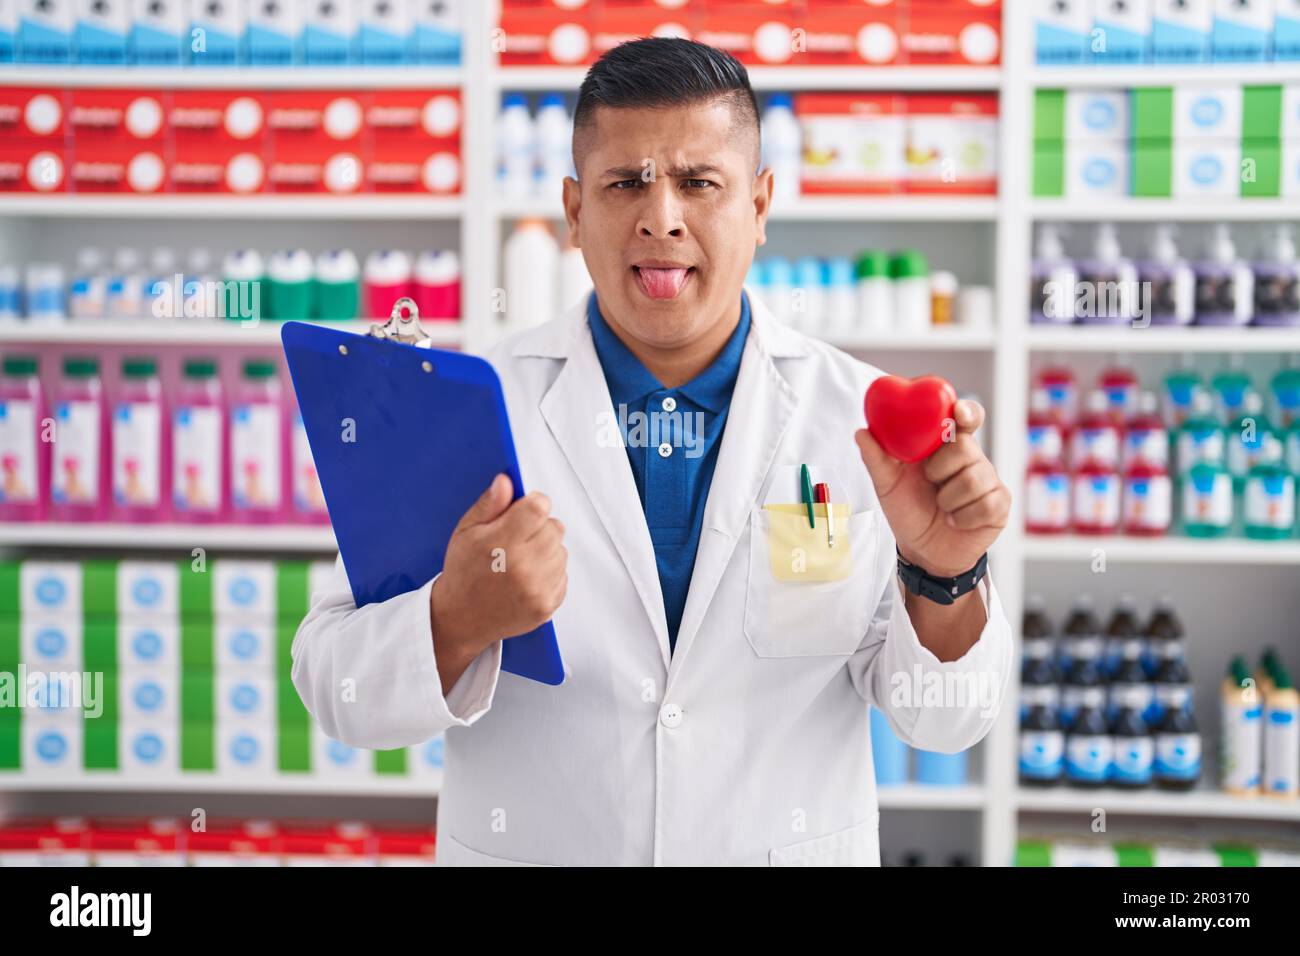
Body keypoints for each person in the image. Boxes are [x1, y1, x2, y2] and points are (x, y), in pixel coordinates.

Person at [293, 38, 1013, 866]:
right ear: (573, 211)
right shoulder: (464, 405)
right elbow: (334, 688)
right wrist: (456, 618)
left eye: (700, 183)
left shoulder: (861, 424)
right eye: (625, 181)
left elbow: (947, 722)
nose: (661, 216)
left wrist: (943, 575)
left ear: (761, 204)